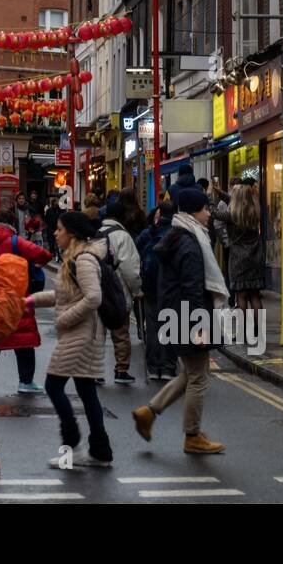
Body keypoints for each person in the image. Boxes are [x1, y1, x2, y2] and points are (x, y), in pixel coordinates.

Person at [131, 187, 228, 454]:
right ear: (193, 211)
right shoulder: (190, 242)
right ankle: (192, 436)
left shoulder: (178, 236)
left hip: (175, 315)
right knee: (198, 378)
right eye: (205, 208)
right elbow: (192, 287)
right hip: (187, 317)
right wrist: (199, 326)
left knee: (191, 373)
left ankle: (148, 412)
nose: (209, 213)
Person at [29, 211, 113, 468]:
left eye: (59, 229)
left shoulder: (84, 260)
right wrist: (30, 300)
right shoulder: (74, 259)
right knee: (87, 392)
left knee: (54, 386)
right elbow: (62, 296)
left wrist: (64, 319)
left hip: (80, 335)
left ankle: (72, 446)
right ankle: (100, 452)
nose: (55, 233)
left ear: (73, 234)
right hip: (83, 333)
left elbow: (93, 298)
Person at [0, 209, 50, 393]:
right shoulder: (15, 241)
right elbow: (43, 254)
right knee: (24, 343)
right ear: (10, 223)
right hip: (17, 297)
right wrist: (36, 264)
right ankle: (26, 381)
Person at [97, 201, 141, 384]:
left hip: (96, 289)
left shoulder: (95, 234)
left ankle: (96, 371)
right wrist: (137, 290)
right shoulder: (123, 236)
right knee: (121, 332)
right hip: (117, 291)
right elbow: (130, 269)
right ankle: (121, 370)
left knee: (97, 333)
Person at [137, 199, 178, 381]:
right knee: (170, 324)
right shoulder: (178, 234)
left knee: (152, 325)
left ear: (159, 214)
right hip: (171, 286)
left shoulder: (148, 233)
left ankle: (153, 367)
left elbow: (137, 252)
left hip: (150, 286)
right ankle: (168, 366)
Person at [212, 182, 265, 314]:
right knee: (255, 295)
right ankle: (259, 332)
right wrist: (221, 193)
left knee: (241, 296)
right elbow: (237, 201)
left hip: (238, 260)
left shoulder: (232, 215)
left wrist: (209, 195)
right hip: (255, 257)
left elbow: (213, 212)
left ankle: (242, 332)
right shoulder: (255, 211)